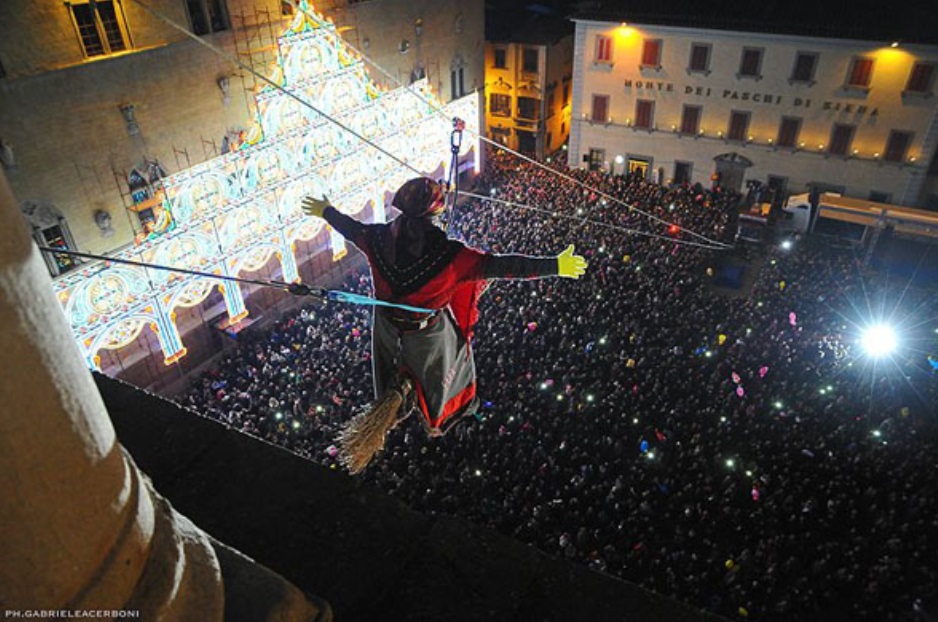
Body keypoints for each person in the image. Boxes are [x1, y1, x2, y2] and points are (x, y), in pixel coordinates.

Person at [302, 177, 586, 472]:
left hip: (385, 326)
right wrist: (555, 265)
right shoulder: (453, 257)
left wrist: (326, 211)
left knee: (386, 370)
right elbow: (504, 266)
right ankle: (442, 411)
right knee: (457, 357)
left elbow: (351, 229)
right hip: (426, 332)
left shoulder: (376, 239)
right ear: (435, 214)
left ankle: (393, 398)